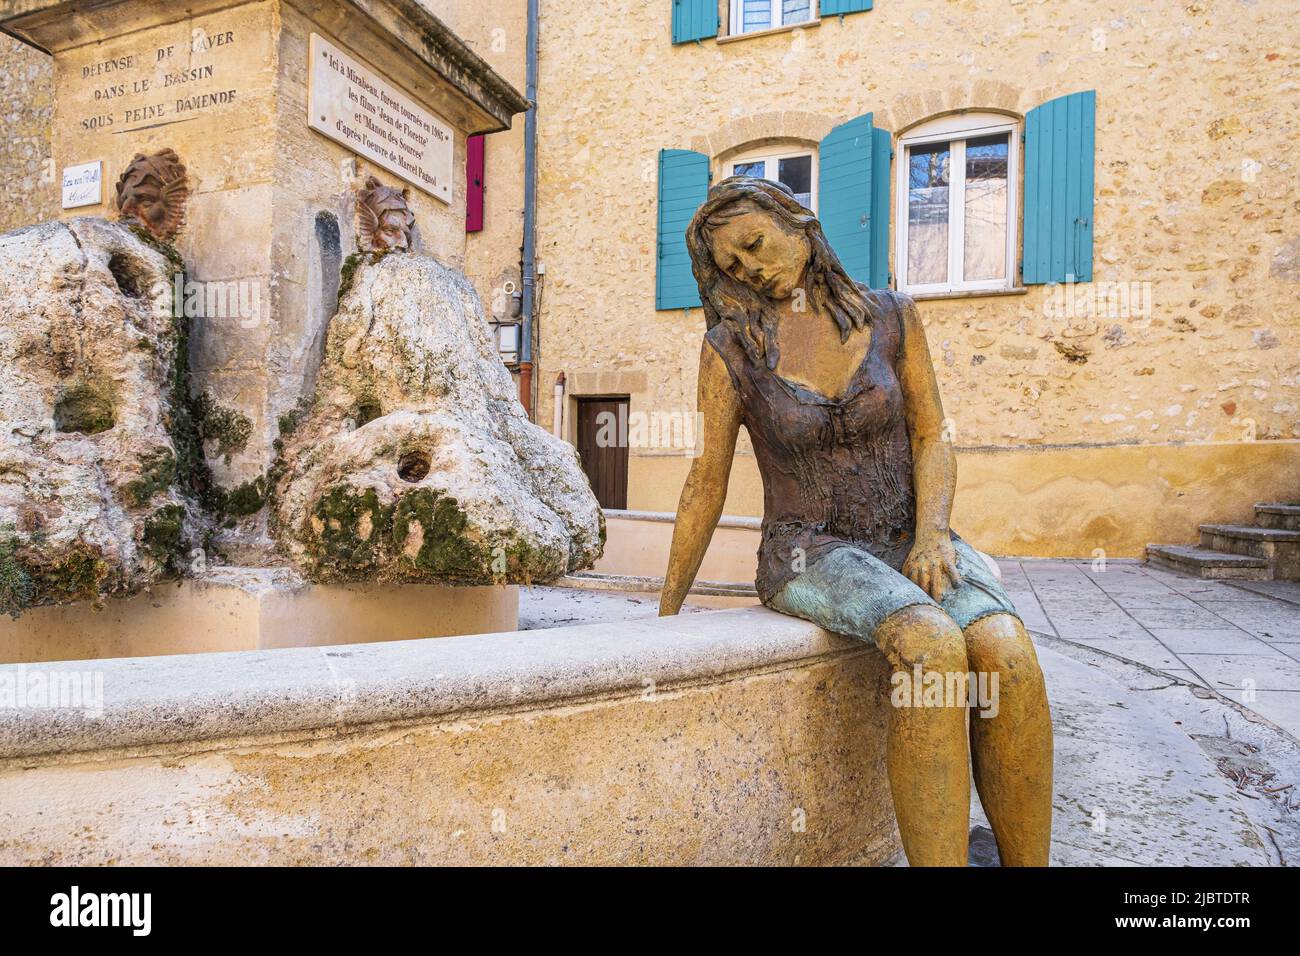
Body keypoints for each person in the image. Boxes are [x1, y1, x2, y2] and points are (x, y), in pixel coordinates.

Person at [659, 176, 1053, 866]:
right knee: (930, 642)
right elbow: (706, 480)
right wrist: (665, 613)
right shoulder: (731, 348)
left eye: (754, 245)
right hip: (807, 549)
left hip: (907, 535)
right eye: (732, 266)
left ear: (799, 223)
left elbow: (934, 435)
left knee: (1008, 654)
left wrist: (933, 532)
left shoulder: (892, 315)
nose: (749, 269)